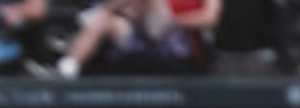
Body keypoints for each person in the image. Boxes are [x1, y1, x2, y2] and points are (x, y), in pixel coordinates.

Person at [50, 0, 220, 77]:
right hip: (143, 32)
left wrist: (175, 22)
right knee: (104, 20)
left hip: (177, 43)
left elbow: (211, 17)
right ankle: (67, 68)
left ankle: (91, 15)